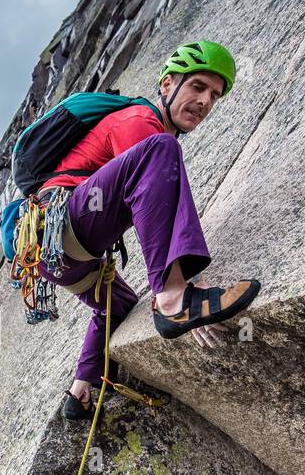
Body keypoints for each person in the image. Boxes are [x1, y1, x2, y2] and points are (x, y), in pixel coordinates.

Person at [34, 40, 262, 420]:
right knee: (160, 150)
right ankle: (175, 301)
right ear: (169, 84)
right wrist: (178, 293)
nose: (205, 102)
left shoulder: (150, 130)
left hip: (60, 257)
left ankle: (80, 391)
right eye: (198, 86)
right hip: (64, 228)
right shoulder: (140, 122)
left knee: (117, 306)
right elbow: (153, 208)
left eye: (215, 95)